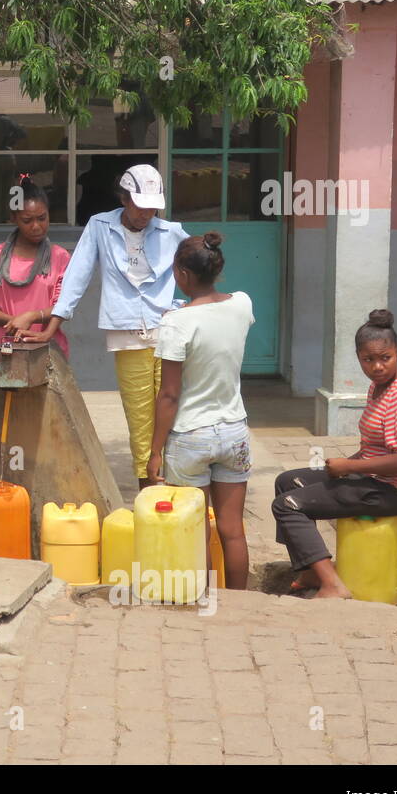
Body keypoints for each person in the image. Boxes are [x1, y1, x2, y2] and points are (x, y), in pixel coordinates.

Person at [17, 163, 189, 488]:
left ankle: (178, 484)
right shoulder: (100, 226)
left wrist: (188, 307)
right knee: (140, 419)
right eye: (140, 204)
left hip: (170, 332)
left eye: (152, 206)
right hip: (127, 335)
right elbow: (77, 276)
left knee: (173, 409)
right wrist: (53, 324)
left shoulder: (172, 232)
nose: (146, 213)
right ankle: (148, 487)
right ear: (124, 198)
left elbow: (199, 268)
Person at [273, 310, 397, 599]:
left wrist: (349, 466)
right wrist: (349, 465)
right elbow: (376, 445)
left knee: (288, 505)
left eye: (385, 358)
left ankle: (333, 586)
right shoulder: (378, 387)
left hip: (391, 491)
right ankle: (310, 569)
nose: (377, 366)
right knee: (288, 481)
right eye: (368, 360)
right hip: (370, 479)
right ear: (358, 357)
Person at [147, 232, 254, 590]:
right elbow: (218, 315)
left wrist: (154, 451)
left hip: (191, 437)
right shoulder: (242, 303)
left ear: (182, 275)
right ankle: (241, 602)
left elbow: (169, 396)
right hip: (234, 432)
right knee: (232, 529)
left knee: (196, 531)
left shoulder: (176, 324)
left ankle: (205, 600)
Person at [0, 174, 72, 361]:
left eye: (42, 218)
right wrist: (13, 321)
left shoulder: (60, 256)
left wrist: (32, 316)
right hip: (2, 349)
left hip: (47, 350)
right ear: (13, 218)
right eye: (27, 220)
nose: (36, 226)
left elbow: (64, 304)